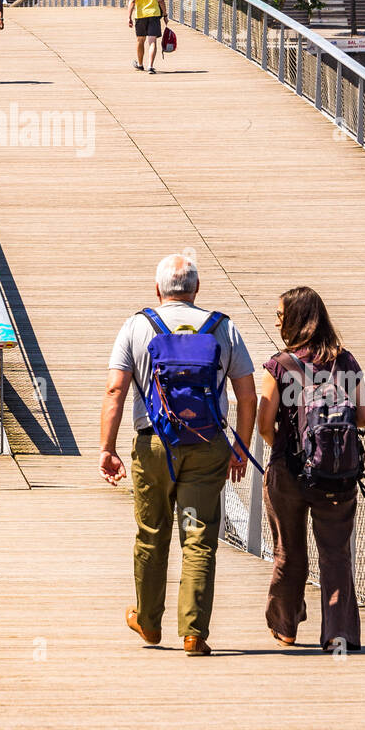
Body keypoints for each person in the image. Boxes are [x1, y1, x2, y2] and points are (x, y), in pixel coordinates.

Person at [100, 249, 257, 655]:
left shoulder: (137, 326)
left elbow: (116, 389)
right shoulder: (223, 327)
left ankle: (148, 623)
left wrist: (107, 448)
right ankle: (193, 633)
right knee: (199, 536)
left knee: (152, 533)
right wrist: (240, 445)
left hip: (154, 446)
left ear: (157, 290)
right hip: (207, 446)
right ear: (197, 289)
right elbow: (246, 393)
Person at [257, 287, 365, 653]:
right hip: (337, 476)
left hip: (289, 474)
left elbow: (263, 423)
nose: (277, 321)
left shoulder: (281, 365)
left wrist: (286, 452)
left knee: (288, 552)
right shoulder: (346, 362)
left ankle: (286, 628)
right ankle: (339, 635)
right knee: (336, 555)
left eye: (280, 315)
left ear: (296, 320)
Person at [127, 0, 168, 74]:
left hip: (140, 15)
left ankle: (140, 65)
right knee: (152, 41)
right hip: (154, 15)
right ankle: (150, 66)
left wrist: (129, 16)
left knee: (140, 40)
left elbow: (132, 0)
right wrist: (165, 15)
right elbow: (161, 1)